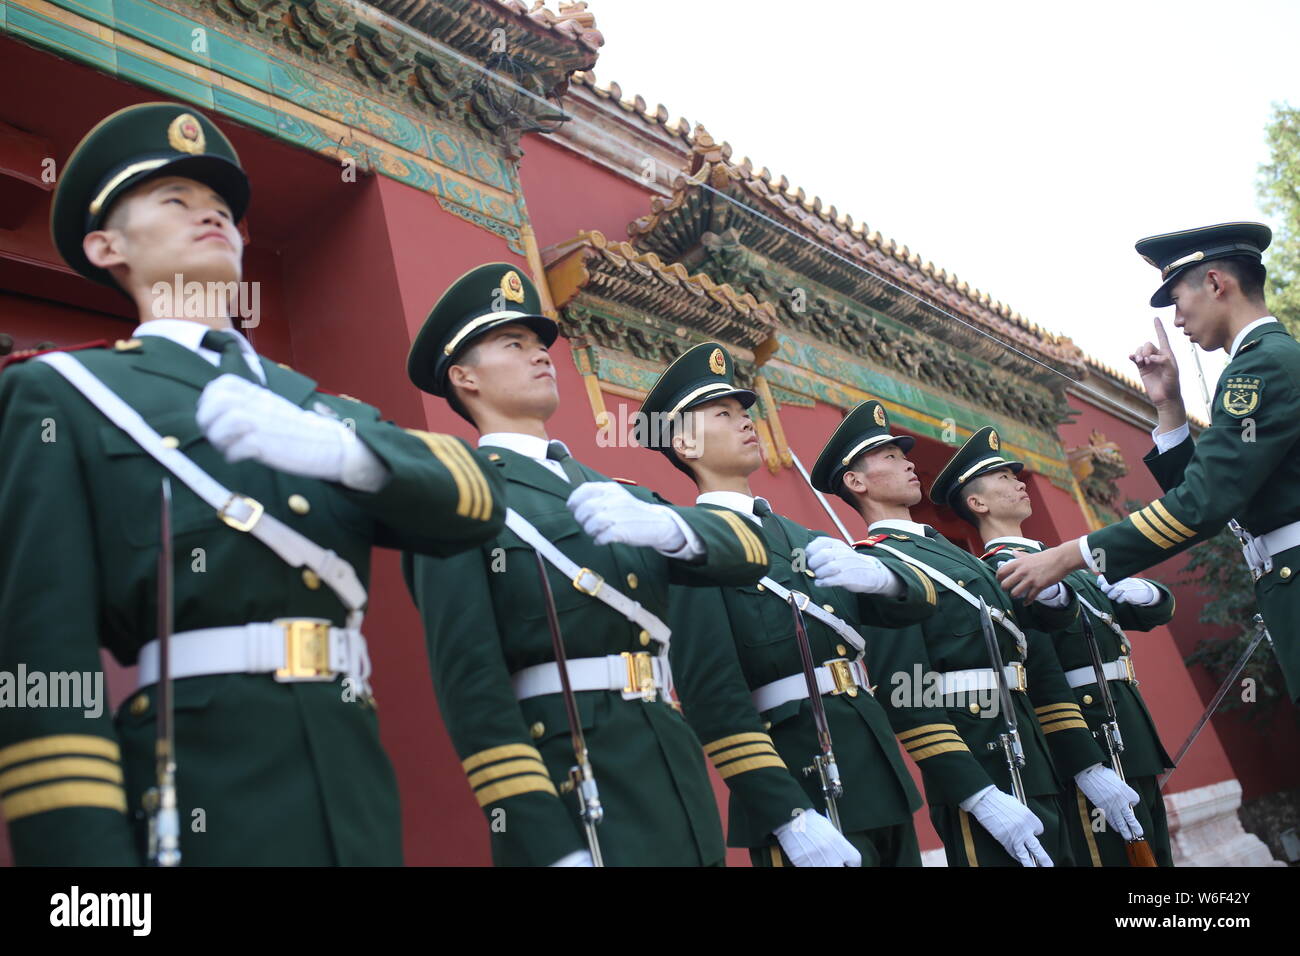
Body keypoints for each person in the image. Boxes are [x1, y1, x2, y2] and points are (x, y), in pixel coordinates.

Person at [0, 103, 505, 865]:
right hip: (195, 780)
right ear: (106, 245)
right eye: (175, 201)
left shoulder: (322, 408)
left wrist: (346, 455)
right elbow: (43, 657)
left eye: (224, 211)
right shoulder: (64, 394)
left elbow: (475, 506)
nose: (214, 219)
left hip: (348, 773)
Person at [401, 267, 771, 866]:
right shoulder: (454, 494)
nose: (540, 355)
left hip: (672, 771)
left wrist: (671, 527)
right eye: (513, 344)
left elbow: (748, 554)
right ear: (464, 377)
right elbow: (473, 691)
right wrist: (545, 842)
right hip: (574, 783)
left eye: (541, 344)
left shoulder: (617, 492)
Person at [639, 343, 937, 866]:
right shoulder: (689, 543)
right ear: (683, 443)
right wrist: (787, 815)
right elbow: (713, 697)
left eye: (745, 411)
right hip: (802, 778)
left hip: (875, 771)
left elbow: (914, 607)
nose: (746, 422)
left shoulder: (802, 535)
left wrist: (885, 580)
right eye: (723, 414)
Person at [804, 404, 1135, 865]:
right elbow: (906, 691)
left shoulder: (964, 561)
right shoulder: (874, 568)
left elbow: (1035, 662)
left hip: (1032, 757)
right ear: (856, 483)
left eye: (904, 454)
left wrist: (1085, 762)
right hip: (979, 760)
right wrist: (976, 791)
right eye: (887, 455)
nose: (906, 461)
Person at [997, 222, 1300, 704]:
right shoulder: (1268, 361)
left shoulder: (1258, 368)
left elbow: (1202, 505)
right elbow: (1219, 497)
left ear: (1217, 284)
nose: (1177, 320)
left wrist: (1067, 556)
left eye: (1177, 299)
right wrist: (1169, 408)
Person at [949, 426, 1174, 865]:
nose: (1019, 483)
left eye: (1017, 476)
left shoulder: (1063, 565)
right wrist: (1085, 764)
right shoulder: (997, 574)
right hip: (1083, 734)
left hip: (1128, 727)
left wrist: (1150, 595)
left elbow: (1149, 615)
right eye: (1003, 479)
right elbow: (1039, 672)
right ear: (978, 503)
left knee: (1156, 856)